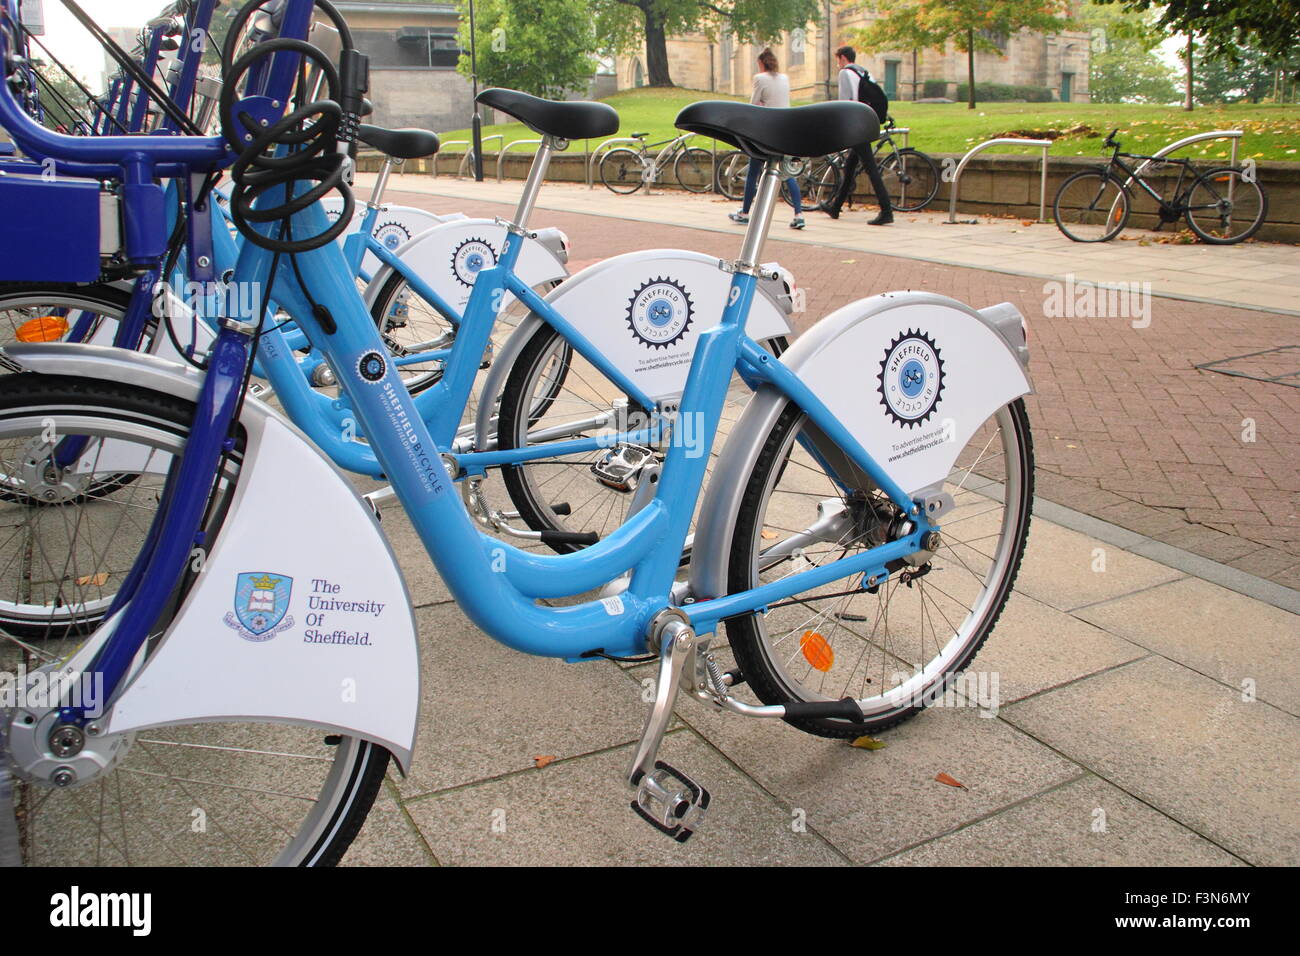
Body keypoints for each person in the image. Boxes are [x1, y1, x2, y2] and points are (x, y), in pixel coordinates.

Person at [728, 48, 805, 230]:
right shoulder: (784, 78)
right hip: (784, 130)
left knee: (753, 172)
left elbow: (753, 105)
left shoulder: (759, 78)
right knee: (786, 173)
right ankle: (799, 214)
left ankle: (745, 213)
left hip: (764, 132)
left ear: (761, 63)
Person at [824, 45, 893, 225]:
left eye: (838, 59)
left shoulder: (846, 73)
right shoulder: (864, 72)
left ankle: (886, 210)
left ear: (843, 58)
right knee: (850, 167)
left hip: (856, 125)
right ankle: (835, 206)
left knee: (870, 168)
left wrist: (840, 125)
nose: (837, 64)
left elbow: (846, 102)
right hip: (867, 122)